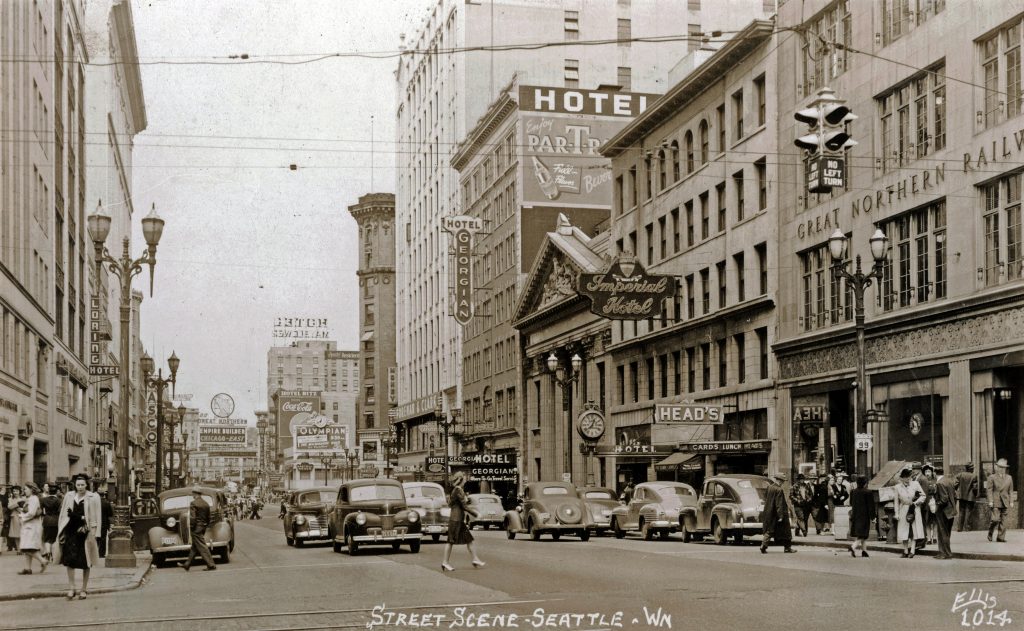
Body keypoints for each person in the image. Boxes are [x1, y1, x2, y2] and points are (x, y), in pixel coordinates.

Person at [55, 474, 101, 600]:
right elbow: (63, 514)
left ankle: (84, 589)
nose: (80, 487)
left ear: (87, 485)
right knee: (69, 560)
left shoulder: (93, 497)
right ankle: (71, 588)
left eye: (82, 485)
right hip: (70, 532)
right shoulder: (69, 496)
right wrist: (61, 530)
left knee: (86, 561)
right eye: (78, 484)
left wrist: (95, 533)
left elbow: (96, 517)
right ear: (75, 485)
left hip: (85, 533)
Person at [441, 472, 484, 571]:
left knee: (469, 540)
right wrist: (476, 514)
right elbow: (464, 507)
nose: (465, 480)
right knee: (450, 541)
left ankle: (475, 559)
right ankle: (445, 562)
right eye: (464, 478)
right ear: (460, 479)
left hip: (457, 520)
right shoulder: (458, 490)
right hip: (456, 520)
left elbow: (453, 504)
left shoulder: (456, 490)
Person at [179, 486, 216, 571]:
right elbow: (208, 517)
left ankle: (211, 564)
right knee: (195, 546)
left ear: (195, 494)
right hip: (203, 527)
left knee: (202, 546)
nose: (192, 495)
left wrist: (192, 527)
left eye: (193, 493)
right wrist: (205, 526)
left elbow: (193, 517)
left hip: (196, 528)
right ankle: (187, 564)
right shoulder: (206, 503)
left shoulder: (193, 503)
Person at [760, 472, 795, 554]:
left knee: (769, 530)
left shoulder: (769, 487)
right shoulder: (779, 490)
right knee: (786, 531)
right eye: (782, 481)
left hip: (769, 512)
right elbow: (779, 504)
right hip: (777, 513)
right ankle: (787, 547)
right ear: (780, 480)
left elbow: (765, 498)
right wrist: (781, 516)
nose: (783, 483)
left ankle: (763, 545)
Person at [17, 482, 47, 575]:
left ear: (31, 489)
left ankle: (43, 560)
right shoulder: (30, 499)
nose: (24, 491)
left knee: (27, 548)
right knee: (27, 547)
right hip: (29, 526)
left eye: (25, 489)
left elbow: (32, 513)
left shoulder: (33, 499)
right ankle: (27, 568)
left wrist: (21, 516)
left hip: (32, 526)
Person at [895, 467, 926, 558]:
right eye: (905, 477)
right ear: (901, 478)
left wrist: (916, 503)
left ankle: (912, 550)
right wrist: (896, 513)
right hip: (903, 509)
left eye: (909, 477)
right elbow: (896, 501)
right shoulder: (897, 487)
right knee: (904, 532)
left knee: (913, 530)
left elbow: (923, 496)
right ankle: (905, 550)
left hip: (914, 509)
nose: (908, 479)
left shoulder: (915, 484)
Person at [985, 458, 1014, 543]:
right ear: (996, 467)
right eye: (1000, 467)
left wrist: (1011, 501)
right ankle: (990, 532)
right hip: (995, 501)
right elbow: (989, 490)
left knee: (1004, 521)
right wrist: (990, 501)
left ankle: (1000, 537)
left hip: (1005, 501)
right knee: (995, 519)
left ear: (1006, 468)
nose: (1002, 469)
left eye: (1003, 467)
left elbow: (1011, 491)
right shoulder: (992, 477)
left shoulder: (1009, 478)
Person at [848, 475, 875, 558]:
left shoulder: (853, 491)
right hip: (864, 516)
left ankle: (864, 551)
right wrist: (873, 517)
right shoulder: (868, 492)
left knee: (862, 534)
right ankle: (853, 547)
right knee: (863, 534)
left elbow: (851, 503)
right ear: (865, 483)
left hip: (856, 515)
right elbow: (871, 506)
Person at [934, 468, 957, 559]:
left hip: (943, 511)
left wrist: (936, 504)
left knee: (942, 532)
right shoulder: (949, 481)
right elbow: (954, 495)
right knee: (947, 533)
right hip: (951, 511)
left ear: (935, 473)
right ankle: (947, 552)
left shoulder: (940, 483)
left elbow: (944, 499)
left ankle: (944, 553)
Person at [954, 463, 979, 532]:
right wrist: (976, 495)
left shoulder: (960, 475)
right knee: (969, 512)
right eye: (973, 468)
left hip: (961, 496)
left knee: (961, 512)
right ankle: (967, 528)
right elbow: (975, 488)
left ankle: (959, 528)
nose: (973, 469)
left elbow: (955, 485)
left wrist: (956, 492)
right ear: (971, 469)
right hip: (970, 497)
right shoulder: (974, 476)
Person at [40, 483, 61, 562]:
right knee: (54, 538)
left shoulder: (43, 500)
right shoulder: (59, 500)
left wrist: (44, 515)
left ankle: (48, 553)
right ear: (56, 492)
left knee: (47, 538)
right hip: (56, 520)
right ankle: (52, 554)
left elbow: (41, 511)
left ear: (48, 491)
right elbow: (60, 511)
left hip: (47, 519)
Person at [918, 464, 938, 545]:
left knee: (935, 521)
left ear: (932, 472)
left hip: (934, 502)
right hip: (926, 503)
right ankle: (929, 538)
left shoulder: (936, 480)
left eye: (929, 471)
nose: (927, 473)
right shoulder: (922, 481)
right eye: (926, 471)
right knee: (927, 522)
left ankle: (935, 537)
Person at [98, 493, 113, 558]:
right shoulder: (106, 503)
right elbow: (110, 514)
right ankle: (101, 554)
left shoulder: (95, 503)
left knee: (96, 538)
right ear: (104, 495)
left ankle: (94, 553)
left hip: (95, 522)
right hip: (104, 522)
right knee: (103, 538)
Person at [8, 486, 22, 551]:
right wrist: (18, 504)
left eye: (16, 491)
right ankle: (18, 549)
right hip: (14, 517)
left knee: (22, 533)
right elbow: (9, 507)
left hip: (22, 517)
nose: (15, 492)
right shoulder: (11, 499)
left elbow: (24, 509)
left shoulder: (23, 498)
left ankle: (22, 548)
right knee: (16, 534)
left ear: (19, 491)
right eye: (14, 491)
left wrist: (15, 506)